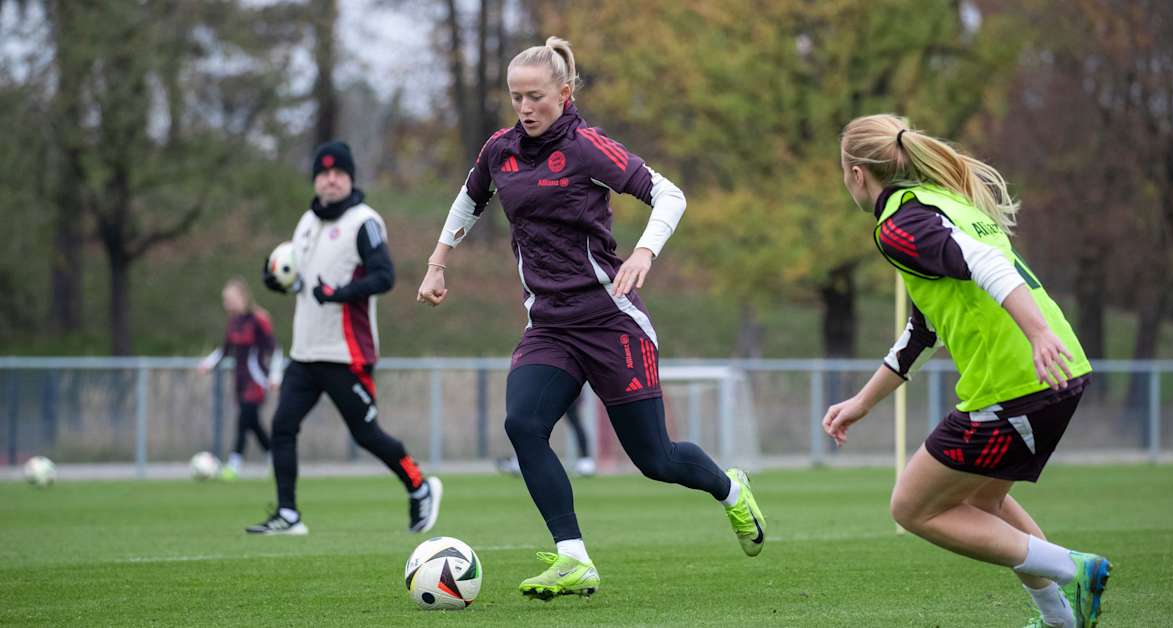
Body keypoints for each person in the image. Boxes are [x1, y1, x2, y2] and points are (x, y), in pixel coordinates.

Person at [417, 37, 765, 600]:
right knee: (523, 425)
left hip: (610, 322)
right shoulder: (499, 150)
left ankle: (731, 490)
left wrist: (644, 252)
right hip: (550, 326)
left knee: (656, 459)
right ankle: (573, 557)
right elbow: (469, 199)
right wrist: (437, 264)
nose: (525, 108)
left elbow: (669, 196)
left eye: (535, 97)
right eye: (515, 98)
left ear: (564, 91)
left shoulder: (586, 148)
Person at [825, 114, 1110, 627]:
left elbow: (988, 264)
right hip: (1053, 371)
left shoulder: (899, 224)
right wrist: (862, 403)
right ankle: (1060, 619)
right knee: (984, 499)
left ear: (855, 173)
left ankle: (1073, 568)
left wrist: (1037, 332)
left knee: (911, 508)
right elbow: (923, 332)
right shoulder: (942, 204)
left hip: (1021, 382)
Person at [248, 140, 442, 536]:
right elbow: (302, 277)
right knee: (283, 427)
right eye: (324, 173)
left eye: (339, 173)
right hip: (304, 353)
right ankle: (288, 514)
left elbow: (385, 277)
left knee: (366, 434)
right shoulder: (307, 221)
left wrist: (339, 294)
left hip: (345, 352)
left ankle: (419, 485)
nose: (331, 180)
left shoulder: (363, 221)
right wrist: (279, 280)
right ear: (315, 179)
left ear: (350, 178)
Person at [197, 278, 281, 480]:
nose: (227, 304)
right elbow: (225, 350)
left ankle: (234, 464)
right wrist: (208, 363)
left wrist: (275, 375)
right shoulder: (233, 322)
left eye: (230, 299)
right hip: (240, 380)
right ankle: (273, 456)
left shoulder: (259, 319)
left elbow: (275, 349)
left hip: (257, 379)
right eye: (225, 300)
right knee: (252, 422)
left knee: (244, 419)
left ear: (243, 297)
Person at [496, 395, 594, 477]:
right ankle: (586, 462)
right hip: (565, 386)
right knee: (573, 422)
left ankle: (585, 462)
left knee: (534, 422)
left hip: (558, 388)